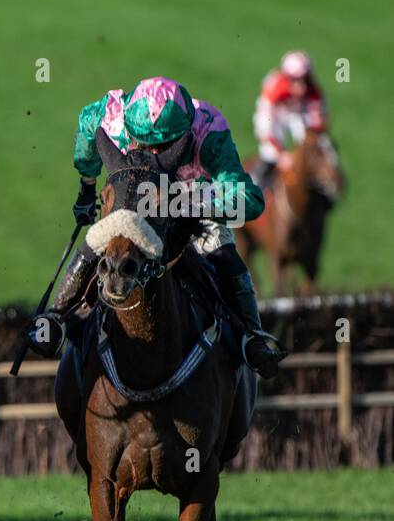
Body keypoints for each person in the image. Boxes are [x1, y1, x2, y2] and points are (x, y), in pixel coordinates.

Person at [29, 77, 286, 378]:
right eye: (141, 143)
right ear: (129, 126)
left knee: (219, 246)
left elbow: (250, 200)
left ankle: (252, 337)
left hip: (190, 206)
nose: (151, 154)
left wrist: (189, 200)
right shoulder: (111, 114)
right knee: (99, 238)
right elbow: (87, 126)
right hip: (132, 203)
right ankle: (56, 319)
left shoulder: (209, 130)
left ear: (185, 132)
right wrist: (87, 187)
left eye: (162, 147)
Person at [251, 50, 331, 192]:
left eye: (304, 79)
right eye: (295, 80)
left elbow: (318, 122)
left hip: (297, 114)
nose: (301, 86)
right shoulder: (275, 86)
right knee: (268, 153)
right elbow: (264, 126)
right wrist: (281, 155)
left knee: (318, 145)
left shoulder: (314, 91)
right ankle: (253, 184)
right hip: (276, 115)